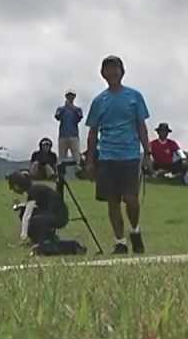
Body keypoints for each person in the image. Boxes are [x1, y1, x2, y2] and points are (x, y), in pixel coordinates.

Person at [85, 55, 152, 255]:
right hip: (106, 156)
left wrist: (147, 152)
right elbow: (92, 131)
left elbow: (141, 126)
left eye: (116, 69)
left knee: (131, 199)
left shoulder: (134, 96)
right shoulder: (99, 101)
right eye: (108, 69)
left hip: (130, 155)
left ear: (122, 71)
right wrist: (90, 160)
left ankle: (135, 230)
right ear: (102, 74)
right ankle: (120, 241)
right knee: (112, 201)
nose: (112, 73)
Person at [7, 169, 68, 246]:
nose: (14, 190)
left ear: (17, 186)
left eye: (13, 188)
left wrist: (23, 235)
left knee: (34, 221)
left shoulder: (33, 191)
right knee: (25, 213)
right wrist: (21, 206)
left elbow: (27, 215)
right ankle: (46, 238)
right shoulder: (35, 189)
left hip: (59, 216)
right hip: (58, 214)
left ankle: (42, 241)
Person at [54, 90, 84, 167]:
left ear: (74, 97)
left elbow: (80, 117)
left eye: (72, 96)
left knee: (76, 156)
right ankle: (61, 174)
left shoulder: (78, 109)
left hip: (74, 136)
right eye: (68, 96)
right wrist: (66, 107)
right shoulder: (60, 109)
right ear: (66, 97)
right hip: (62, 136)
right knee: (61, 157)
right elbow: (57, 116)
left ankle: (78, 174)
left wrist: (71, 107)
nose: (70, 97)